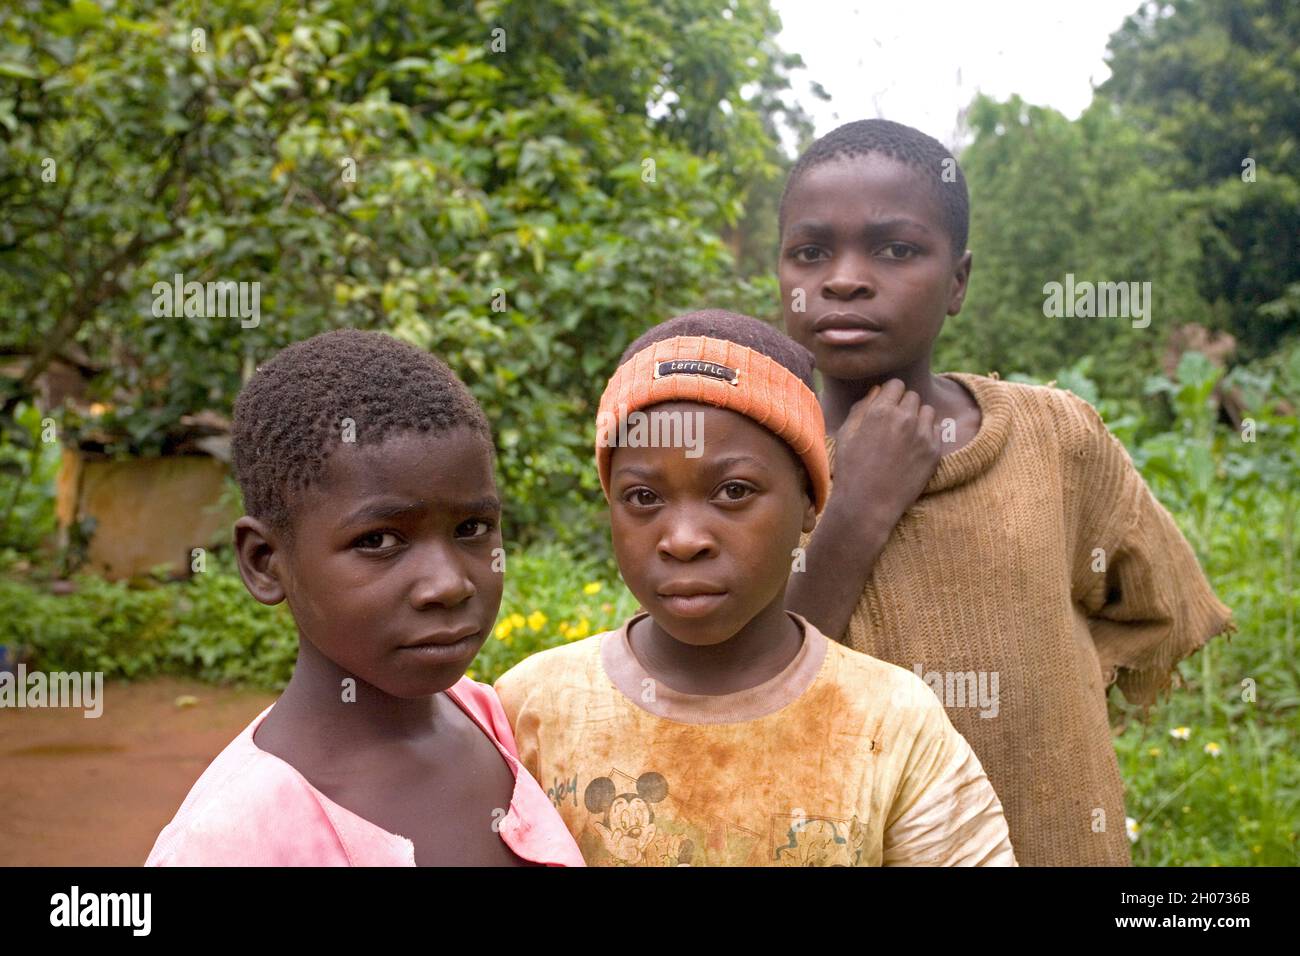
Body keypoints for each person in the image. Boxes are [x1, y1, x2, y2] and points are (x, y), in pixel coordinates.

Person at [777, 119, 1234, 865]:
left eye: (896, 249)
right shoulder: (756, 469)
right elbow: (740, 690)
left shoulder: (1054, 438)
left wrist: (1061, 692)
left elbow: (1158, 600)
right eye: (810, 251)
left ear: (956, 282)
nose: (845, 278)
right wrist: (854, 510)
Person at [494, 311, 1016, 867]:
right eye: (643, 498)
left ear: (811, 501)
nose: (684, 539)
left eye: (734, 491)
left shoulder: (891, 721)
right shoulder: (532, 709)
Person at [146, 330, 582, 866]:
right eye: (378, 540)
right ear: (264, 562)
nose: (448, 584)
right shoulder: (226, 844)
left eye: (472, 527)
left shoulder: (495, 722)